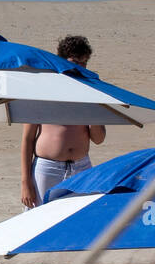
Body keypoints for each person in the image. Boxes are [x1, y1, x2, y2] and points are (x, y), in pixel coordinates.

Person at [19, 36, 106, 208]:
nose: (79, 67)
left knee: (78, 219)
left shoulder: (91, 91)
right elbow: (28, 139)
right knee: (39, 221)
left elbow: (98, 139)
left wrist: (92, 106)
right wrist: (25, 182)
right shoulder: (43, 91)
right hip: (47, 167)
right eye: (74, 62)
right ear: (61, 60)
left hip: (81, 166)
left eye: (84, 63)